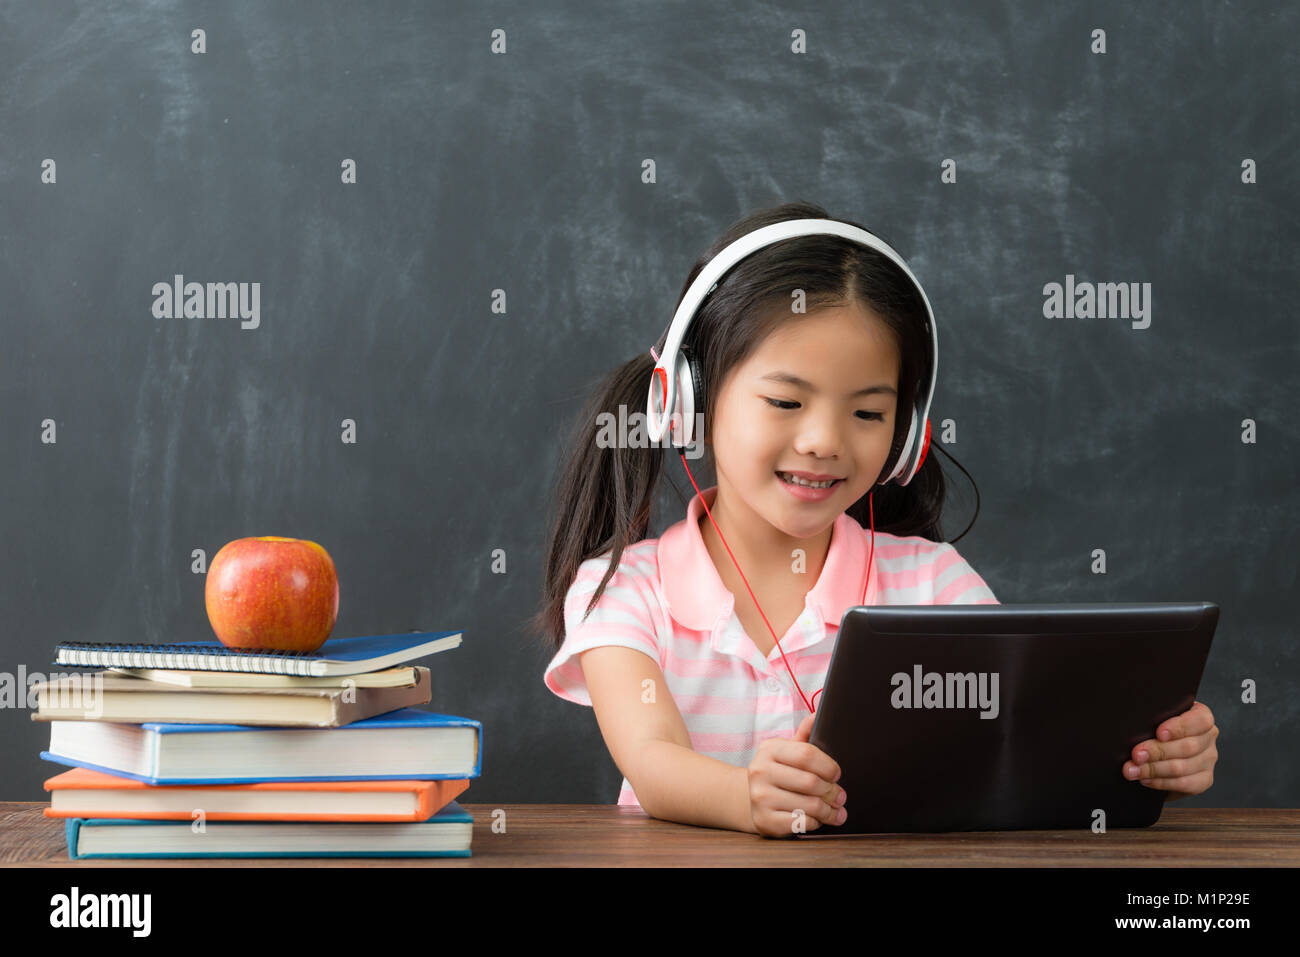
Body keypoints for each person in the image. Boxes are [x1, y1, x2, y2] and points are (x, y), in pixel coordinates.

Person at [532, 201, 1219, 837]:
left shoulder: (931, 582)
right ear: (688, 402)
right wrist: (746, 795)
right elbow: (652, 758)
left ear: (907, 432)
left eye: (867, 412)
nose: (826, 441)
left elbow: (1016, 735)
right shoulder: (626, 588)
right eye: (784, 402)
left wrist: (1148, 754)